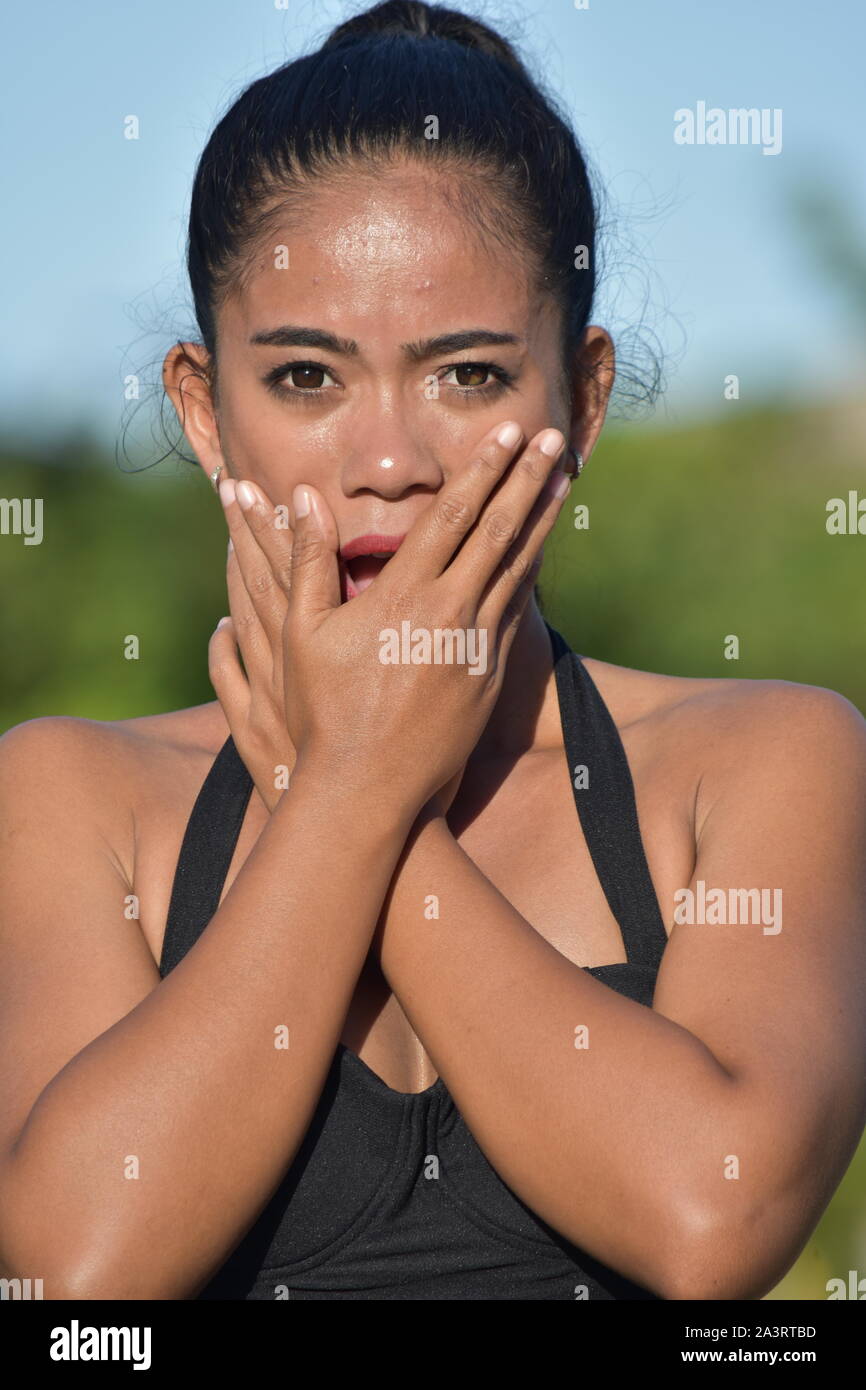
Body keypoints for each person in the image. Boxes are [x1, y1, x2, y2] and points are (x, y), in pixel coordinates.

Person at [1, 0, 865, 1302]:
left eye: (465, 374)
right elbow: (83, 1267)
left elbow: (708, 1221)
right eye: (305, 377)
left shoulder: (761, 760)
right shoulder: (69, 794)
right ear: (202, 408)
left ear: (576, 403)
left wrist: (343, 782)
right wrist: (349, 782)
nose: (390, 462)